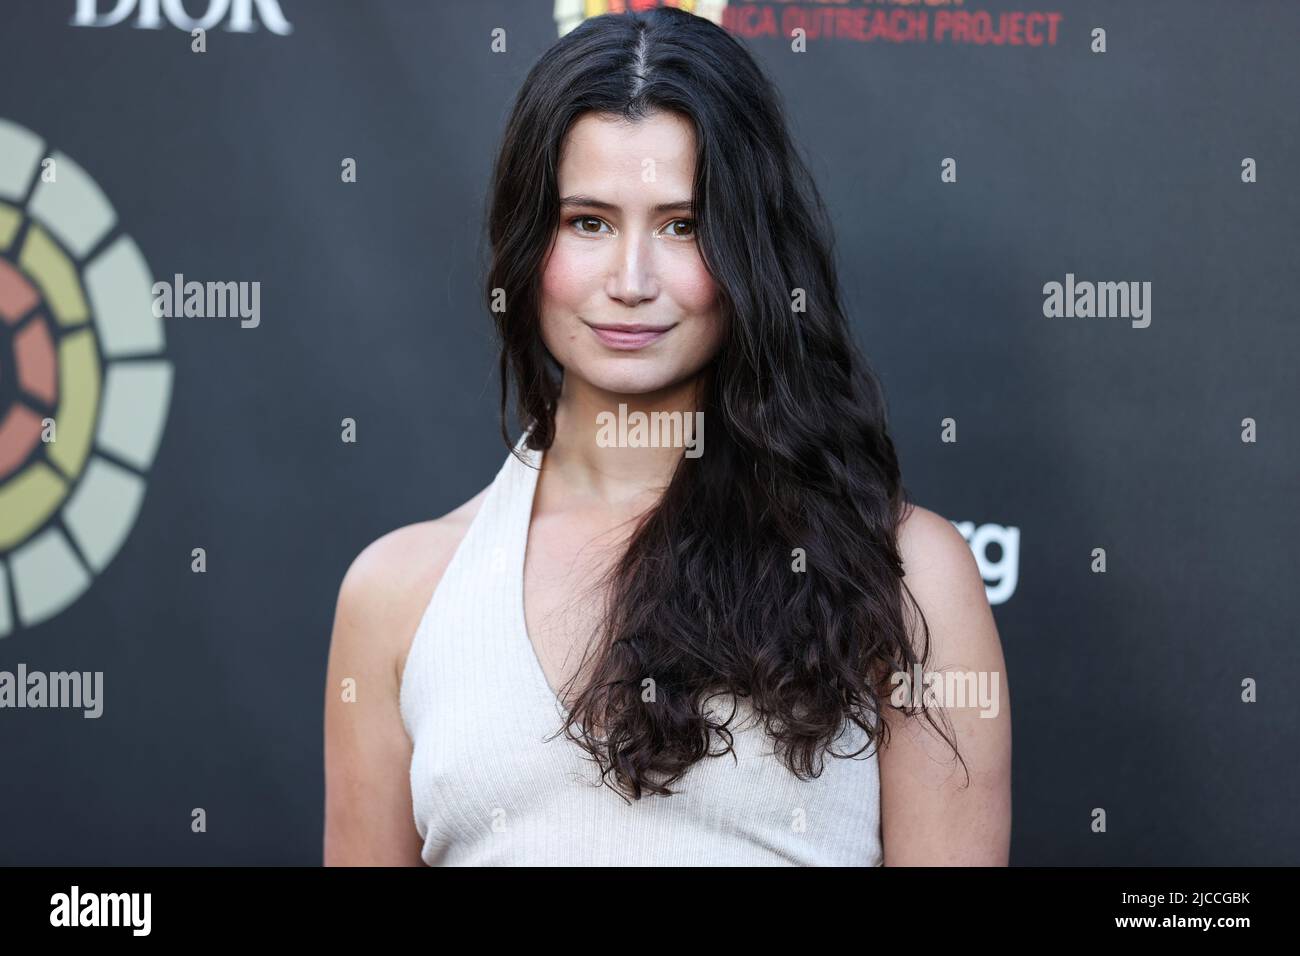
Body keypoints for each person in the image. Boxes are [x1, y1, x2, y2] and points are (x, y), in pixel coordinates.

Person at [324, 6, 1010, 866]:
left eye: (682, 225)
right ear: (527, 242)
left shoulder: (906, 573)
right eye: (589, 222)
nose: (633, 281)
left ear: (751, 253)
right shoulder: (397, 594)